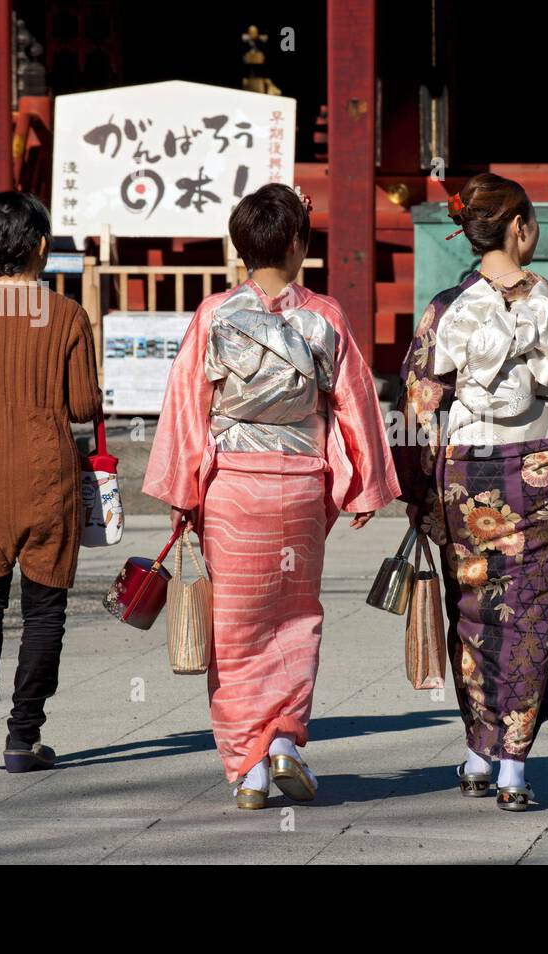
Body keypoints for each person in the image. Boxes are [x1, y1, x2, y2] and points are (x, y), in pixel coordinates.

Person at [391, 172, 548, 811]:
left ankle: (480, 750)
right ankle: (512, 765)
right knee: (529, 615)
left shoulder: (444, 308)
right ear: (518, 227)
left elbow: (418, 402)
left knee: (473, 612)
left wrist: (417, 488)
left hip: (462, 476)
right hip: (535, 470)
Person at [143, 183, 400, 809]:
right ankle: (285, 739)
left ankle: (248, 766)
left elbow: (187, 409)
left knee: (234, 626)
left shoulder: (215, 315)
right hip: (301, 485)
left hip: (232, 487)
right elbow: (354, 403)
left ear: (242, 246)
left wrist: (181, 490)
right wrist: (364, 484)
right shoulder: (326, 316)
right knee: (296, 613)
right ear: (298, 244)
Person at [0, 190, 102, 773]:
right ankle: (22, 737)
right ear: (39, 248)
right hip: (43, 475)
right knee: (44, 609)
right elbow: (82, 406)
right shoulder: (67, 316)